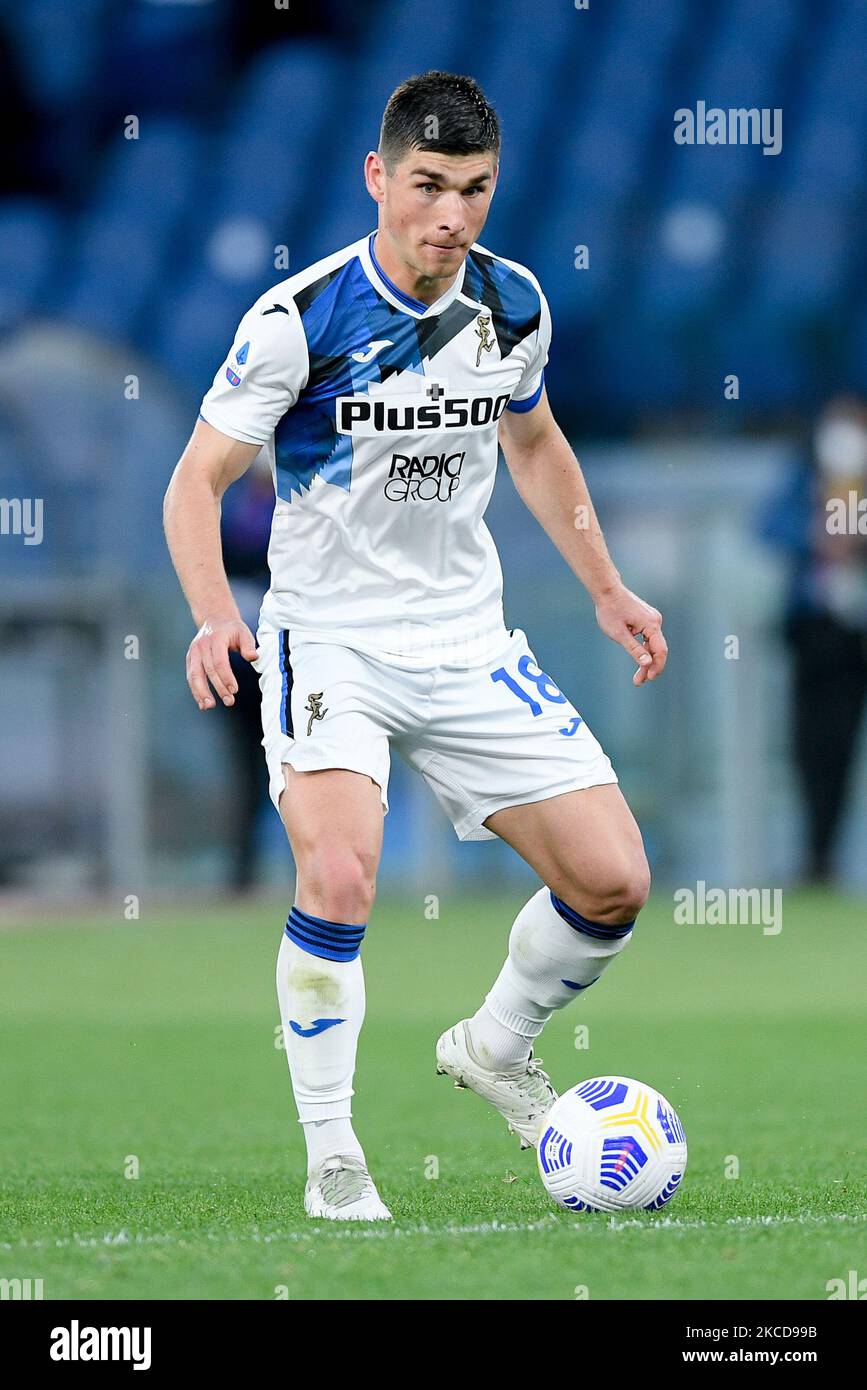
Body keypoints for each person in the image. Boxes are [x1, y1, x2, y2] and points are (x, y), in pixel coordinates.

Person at [163, 71, 667, 1222]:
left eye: (474, 190)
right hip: (330, 641)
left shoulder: (514, 303)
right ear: (378, 179)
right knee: (338, 875)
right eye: (429, 186)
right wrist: (211, 610)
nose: (450, 214)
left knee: (615, 880)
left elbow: (535, 446)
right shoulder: (301, 319)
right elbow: (196, 481)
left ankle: (495, 1045)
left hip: (469, 638)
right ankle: (335, 1155)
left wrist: (606, 586)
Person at [760, 395, 867, 883]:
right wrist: (815, 532)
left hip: (857, 630)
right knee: (814, 746)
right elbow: (769, 527)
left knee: (841, 748)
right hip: (818, 632)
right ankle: (817, 856)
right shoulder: (804, 476)